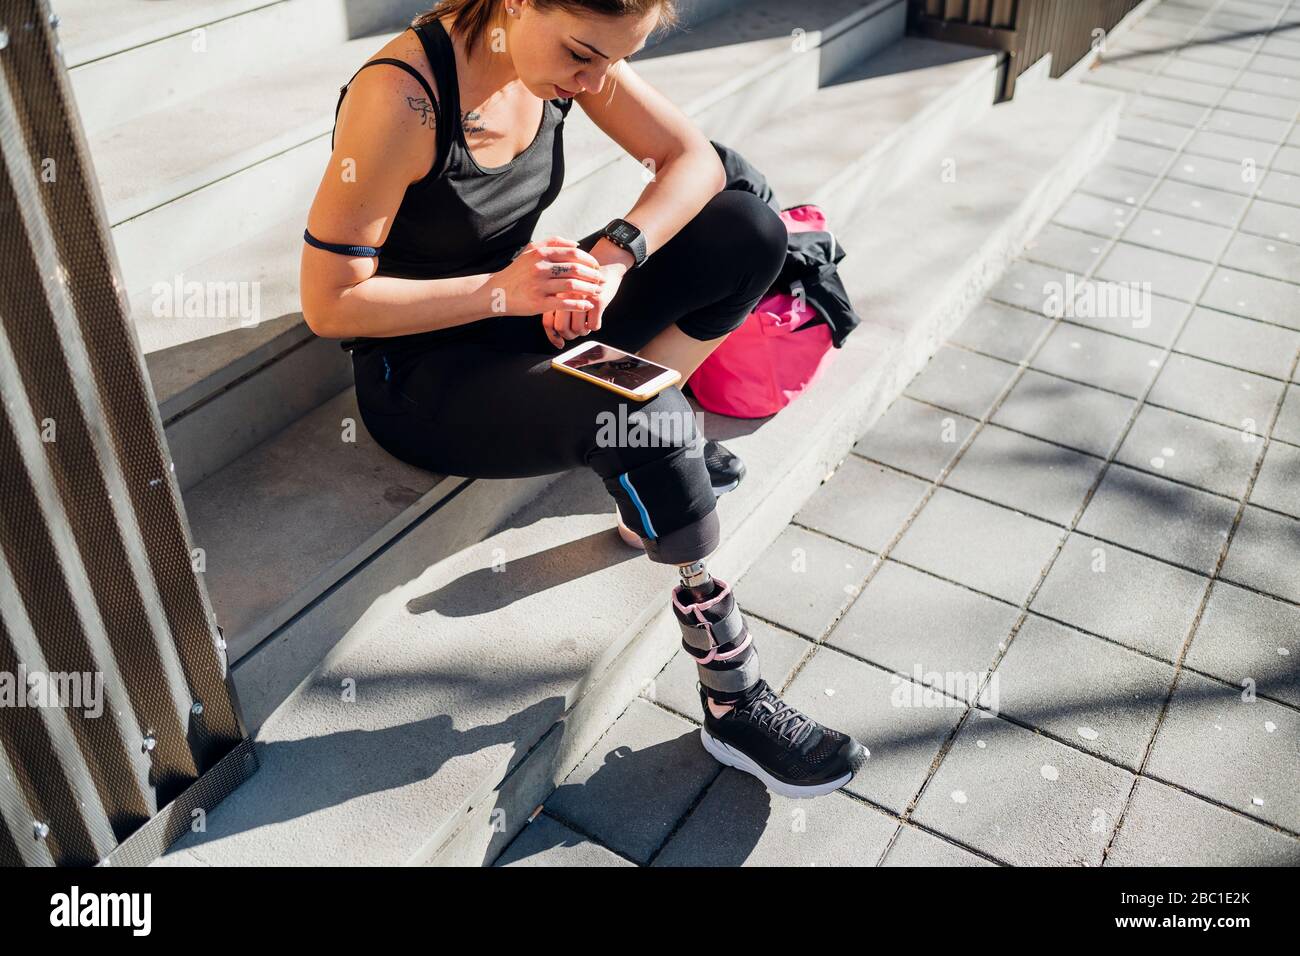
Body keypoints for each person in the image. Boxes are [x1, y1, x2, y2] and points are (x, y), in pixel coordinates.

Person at [299, 0, 867, 799]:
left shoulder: (563, 53)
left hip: (527, 314)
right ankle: (732, 697)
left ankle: (649, 477)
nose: (595, 81)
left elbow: (692, 158)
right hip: (425, 377)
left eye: (611, 60)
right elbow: (329, 305)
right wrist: (502, 294)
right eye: (582, 56)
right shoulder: (403, 99)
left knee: (749, 230)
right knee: (647, 419)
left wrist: (614, 257)